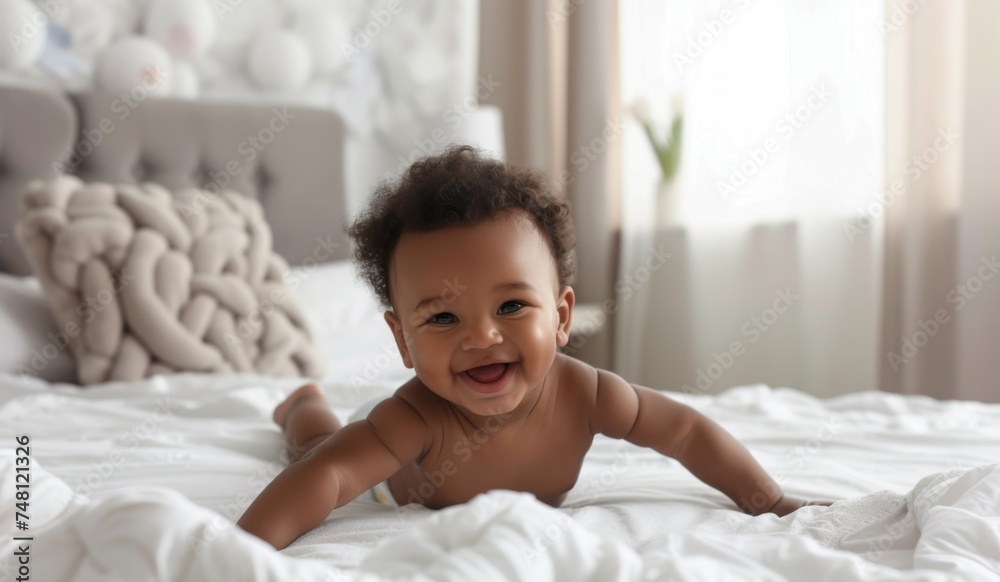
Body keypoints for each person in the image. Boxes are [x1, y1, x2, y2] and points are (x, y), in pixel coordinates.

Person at [237, 145, 830, 550]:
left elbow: (686, 432)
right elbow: (337, 475)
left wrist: (770, 500)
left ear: (562, 315)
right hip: (392, 485)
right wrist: (240, 549)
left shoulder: (589, 393)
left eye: (512, 306)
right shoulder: (414, 417)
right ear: (403, 341)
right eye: (442, 316)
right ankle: (300, 404)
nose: (481, 337)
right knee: (317, 448)